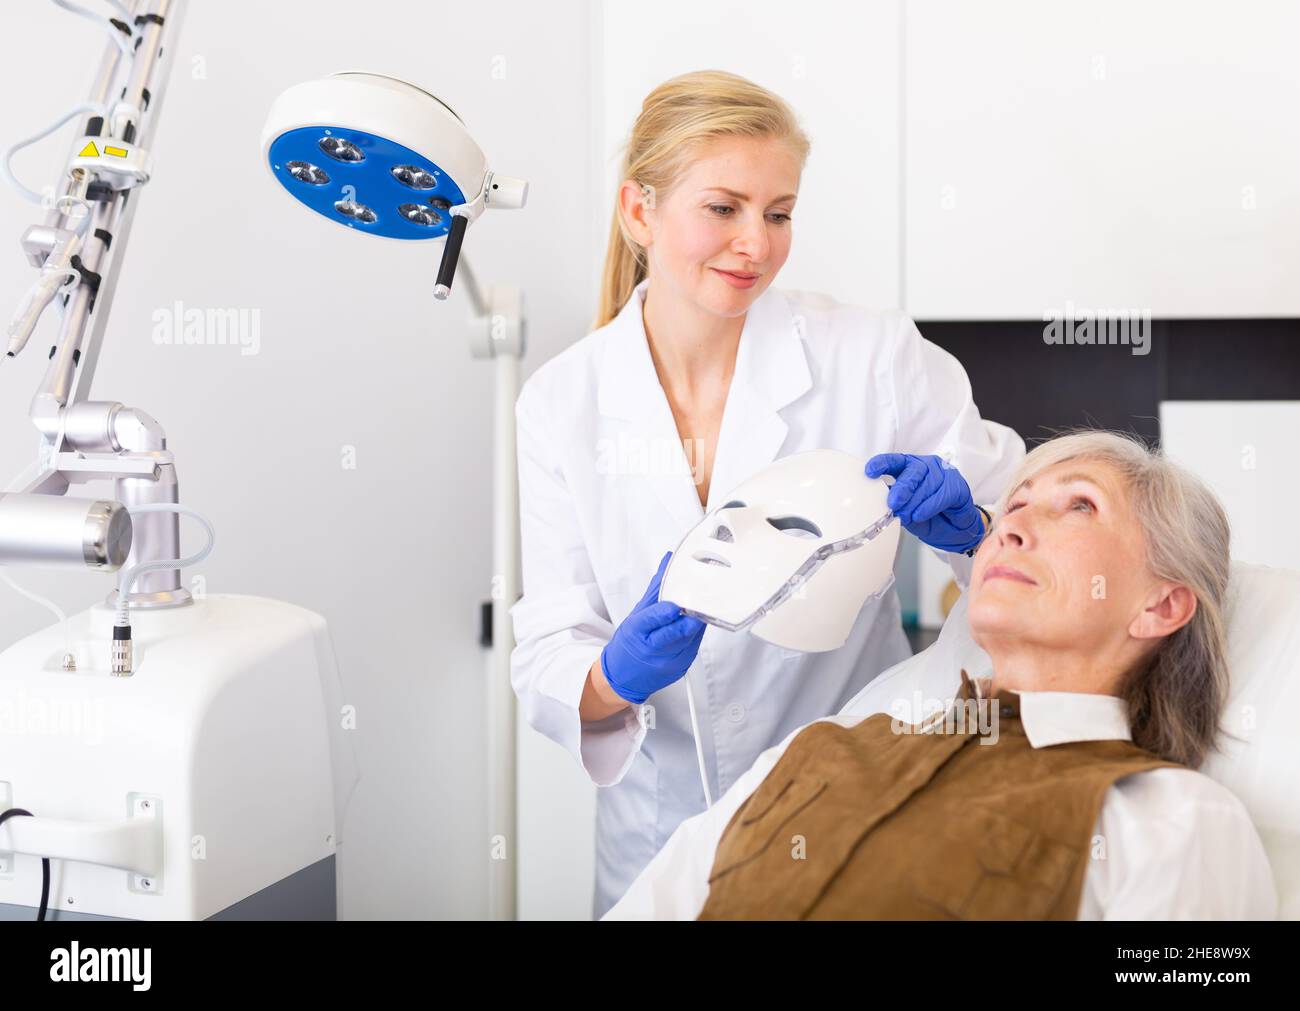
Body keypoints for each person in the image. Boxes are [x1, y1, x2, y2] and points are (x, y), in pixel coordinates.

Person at [510, 69, 1025, 916]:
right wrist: (613, 673)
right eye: (724, 208)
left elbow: (1026, 533)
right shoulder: (562, 403)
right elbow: (549, 649)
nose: (757, 243)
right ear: (639, 211)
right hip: (656, 835)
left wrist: (973, 527)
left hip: (851, 806)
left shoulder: (871, 356)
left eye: (778, 213)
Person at [603, 432, 1277, 920]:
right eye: (1013, 503)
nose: (1010, 526)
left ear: (1161, 604)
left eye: (1078, 506)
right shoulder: (813, 752)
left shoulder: (1174, 822)